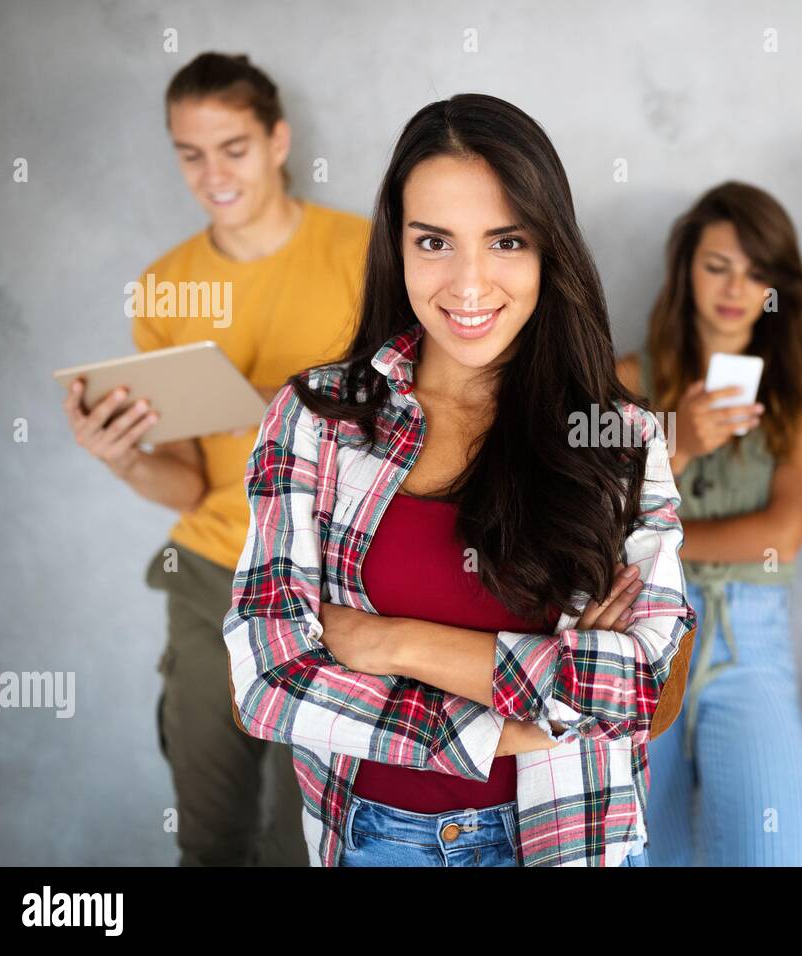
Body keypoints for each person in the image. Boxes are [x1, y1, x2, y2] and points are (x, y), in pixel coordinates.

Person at [222, 92, 697, 867]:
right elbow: (269, 677)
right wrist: (527, 715)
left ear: (550, 249)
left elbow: (638, 685)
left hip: (571, 840)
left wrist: (391, 641)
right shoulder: (316, 420)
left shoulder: (621, 438)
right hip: (376, 841)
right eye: (435, 242)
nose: (469, 285)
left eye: (506, 241)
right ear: (397, 249)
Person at [62, 52, 370, 866]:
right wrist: (122, 459)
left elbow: (418, 421)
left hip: (332, 582)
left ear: (277, 140)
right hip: (208, 579)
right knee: (209, 840)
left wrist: (288, 400)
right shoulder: (163, 288)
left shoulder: (366, 255)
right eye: (190, 153)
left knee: (303, 844)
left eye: (231, 147)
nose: (212, 174)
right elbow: (191, 482)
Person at [617, 182, 802, 865]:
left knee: (775, 851)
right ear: (685, 272)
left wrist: (661, 538)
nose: (736, 287)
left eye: (757, 271)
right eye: (717, 265)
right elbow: (586, 523)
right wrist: (677, 446)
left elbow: (780, 537)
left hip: (749, 634)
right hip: (637, 632)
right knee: (642, 851)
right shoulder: (625, 379)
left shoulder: (800, 391)